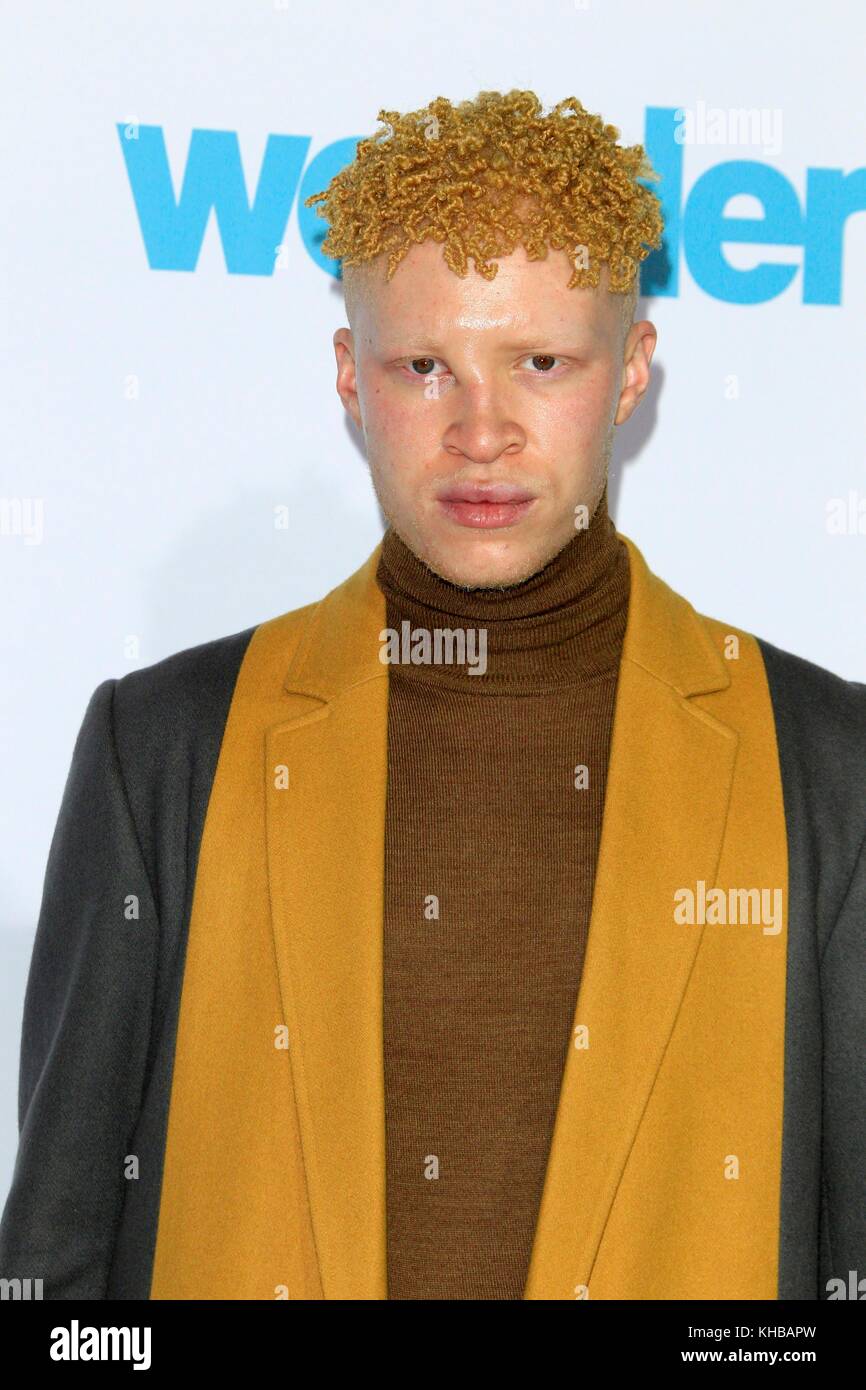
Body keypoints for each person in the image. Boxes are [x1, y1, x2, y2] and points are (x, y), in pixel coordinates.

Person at [1, 89, 864, 1301]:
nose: (480, 430)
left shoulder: (827, 766)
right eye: (424, 366)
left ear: (630, 373)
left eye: (539, 362)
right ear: (351, 377)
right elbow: (52, 1267)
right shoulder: (160, 750)